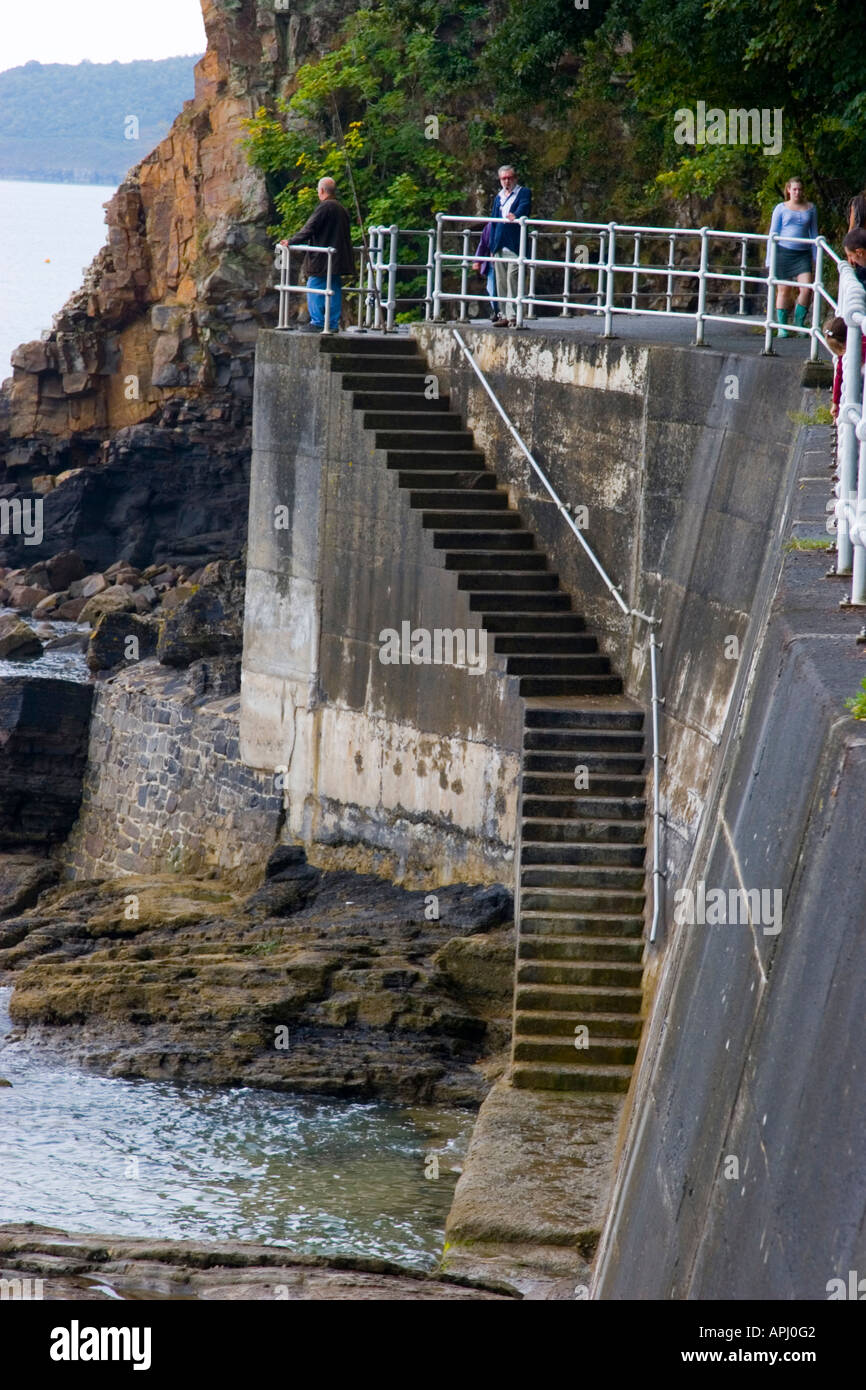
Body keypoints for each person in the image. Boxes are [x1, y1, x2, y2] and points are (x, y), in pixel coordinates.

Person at [280, 177, 354, 332]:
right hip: (338, 259)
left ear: (321, 191)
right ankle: (332, 324)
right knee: (333, 288)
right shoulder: (342, 209)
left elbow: (309, 228)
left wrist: (291, 241)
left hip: (322, 259)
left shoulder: (324, 207)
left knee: (314, 285)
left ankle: (318, 322)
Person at [765, 177, 818, 338]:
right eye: (794, 189)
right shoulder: (781, 208)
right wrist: (769, 259)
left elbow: (814, 233)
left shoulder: (811, 208)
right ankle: (782, 326)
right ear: (788, 190)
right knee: (784, 290)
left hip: (803, 254)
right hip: (783, 252)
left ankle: (799, 322)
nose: (797, 192)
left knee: (807, 288)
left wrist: (816, 257)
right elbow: (772, 234)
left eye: (800, 189)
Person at [488, 165, 531, 327]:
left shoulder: (523, 192)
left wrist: (516, 215)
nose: (507, 181)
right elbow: (493, 222)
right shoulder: (498, 197)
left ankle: (513, 315)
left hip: (515, 244)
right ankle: (504, 315)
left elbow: (525, 206)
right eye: (503, 178)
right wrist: (492, 247)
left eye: (509, 177)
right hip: (499, 244)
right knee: (500, 281)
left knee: (513, 278)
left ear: (515, 178)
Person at [472, 221, 498, 321]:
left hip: (505, 260)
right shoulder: (491, 225)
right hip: (492, 261)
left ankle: (502, 313)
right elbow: (483, 243)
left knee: (500, 287)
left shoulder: (495, 224)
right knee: (491, 288)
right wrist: (477, 260)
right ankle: (497, 311)